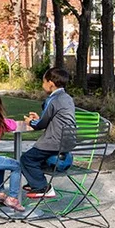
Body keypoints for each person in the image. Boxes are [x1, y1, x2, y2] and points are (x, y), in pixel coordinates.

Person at [20, 67, 76, 199]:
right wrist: (39, 119)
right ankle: (34, 181)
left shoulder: (53, 99)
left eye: (43, 81)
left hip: (54, 141)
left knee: (26, 159)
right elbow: (54, 119)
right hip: (68, 141)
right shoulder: (67, 98)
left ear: (50, 83)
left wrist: (30, 122)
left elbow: (40, 125)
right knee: (36, 158)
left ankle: (42, 187)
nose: (42, 85)